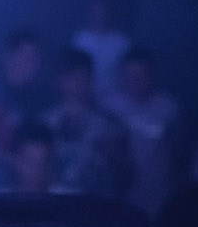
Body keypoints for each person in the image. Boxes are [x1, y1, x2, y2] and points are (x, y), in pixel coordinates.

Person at [42, 48, 132, 198]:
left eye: (83, 77)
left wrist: (115, 157)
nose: (78, 83)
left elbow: (127, 174)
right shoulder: (45, 123)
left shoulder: (110, 124)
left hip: (98, 202)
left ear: (91, 80)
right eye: (71, 77)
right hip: (56, 201)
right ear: (60, 80)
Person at [106, 47, 182, 215]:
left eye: (142, 74)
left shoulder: (169, 107)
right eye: (131, 75)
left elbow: (178, 152)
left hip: (160, 197)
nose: (136, 80)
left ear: (152, 75)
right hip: (121, 199)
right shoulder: (108, 106)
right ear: (122, 76)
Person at [0, 29, 49, 192]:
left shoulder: (35, 94)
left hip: (27, 166)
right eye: (26, 58)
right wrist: (15, 163)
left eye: (35, 59)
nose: (32, 65)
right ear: (9, 56)